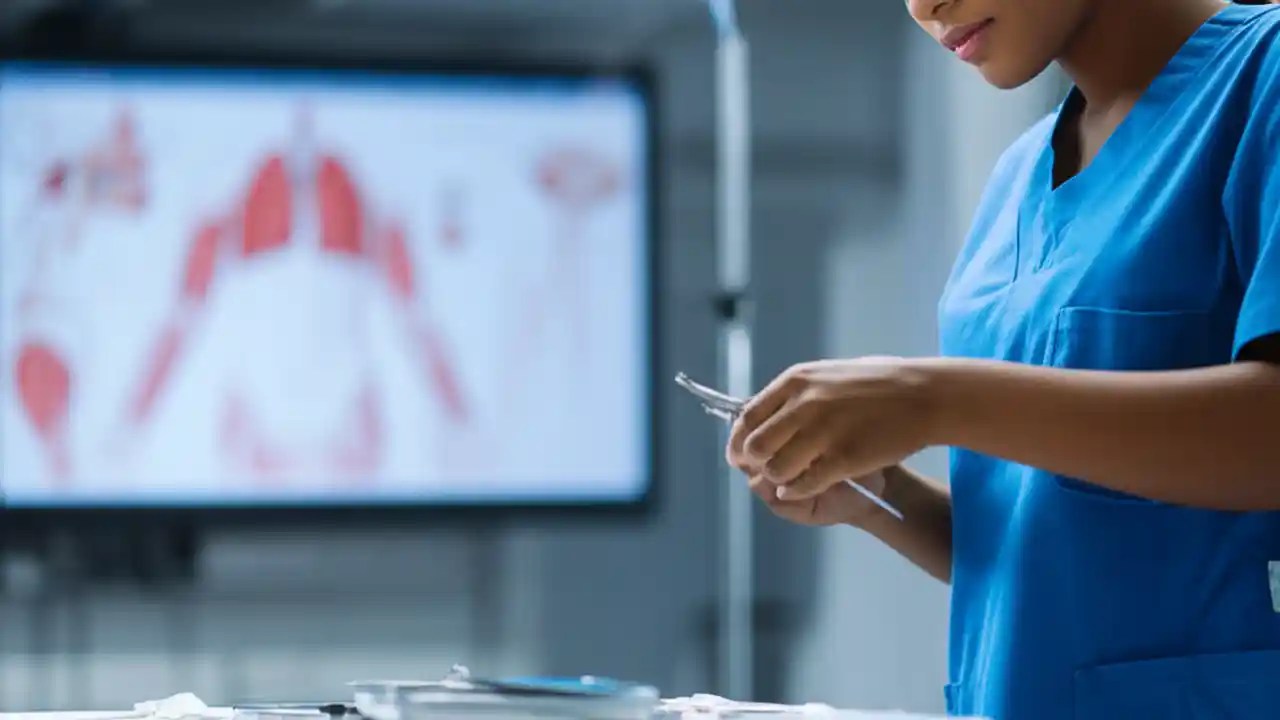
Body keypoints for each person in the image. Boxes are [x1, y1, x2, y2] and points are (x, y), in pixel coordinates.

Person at [726, 1, 1280, 717]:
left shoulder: (1262, 80)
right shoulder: (1018, 177)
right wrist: (886, 497)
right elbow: (1062, 550)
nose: (926, 6)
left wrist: (930, 400)